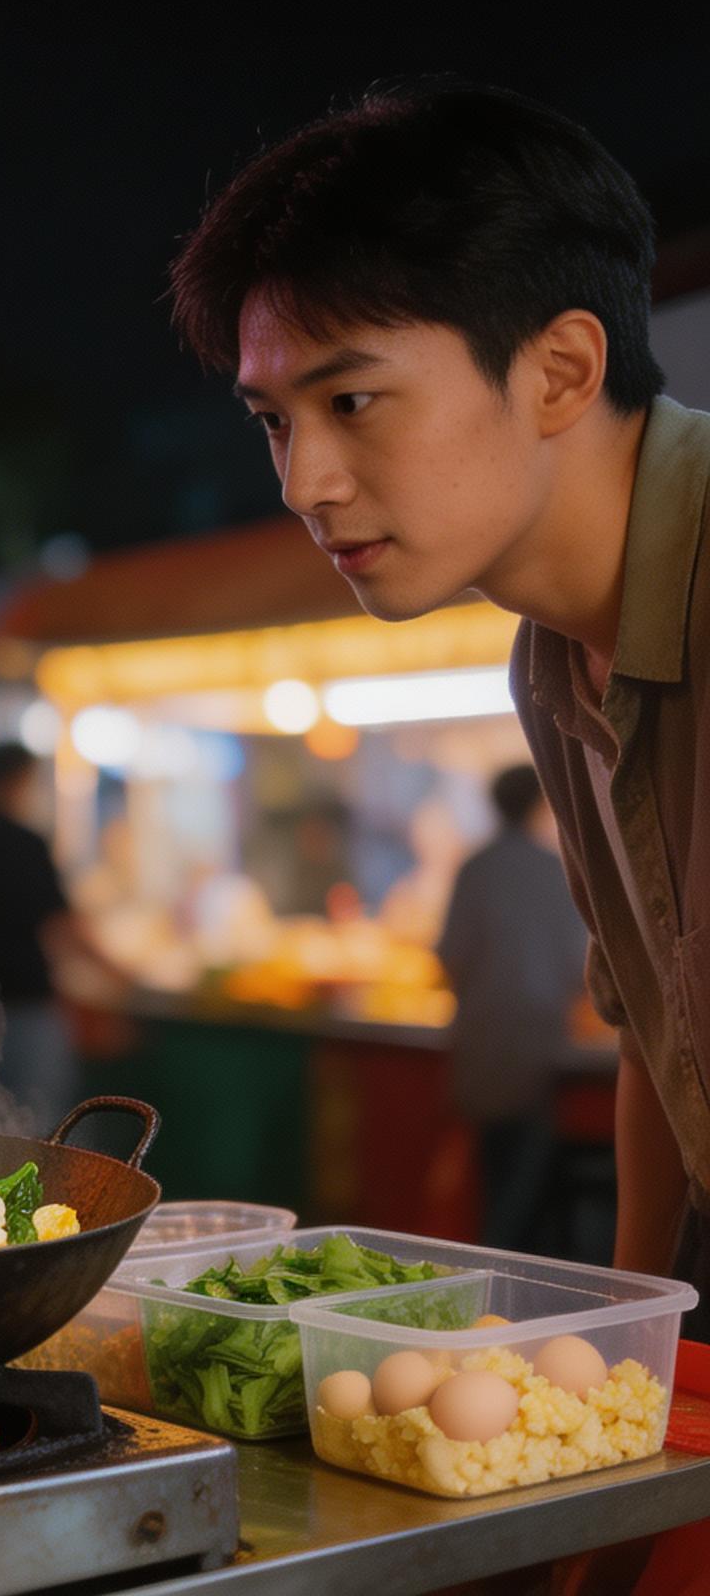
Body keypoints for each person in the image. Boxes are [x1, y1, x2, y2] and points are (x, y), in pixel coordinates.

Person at [171, 80, 710, 1330]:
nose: (305, 481)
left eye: (352, 402)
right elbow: (651, 1029)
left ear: (562, 370)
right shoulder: (548, 655)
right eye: (272, 420)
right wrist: (630, 1349)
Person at [0, 743, 127, 1129]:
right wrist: (119, 974)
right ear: (22, 779)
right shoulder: (25, 842)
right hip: (23, 1004)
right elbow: (60, 923)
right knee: (38, 1125)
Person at [437, 765, 588, 1253]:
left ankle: (491, 1264)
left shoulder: (474, 868)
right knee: (527, 1181)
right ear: (539, 805)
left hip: (480, 1046)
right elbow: (579, 968)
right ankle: (508, 1271)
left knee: (492, 1173)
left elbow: (450, 957)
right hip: (539, 1045)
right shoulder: (555, 870)